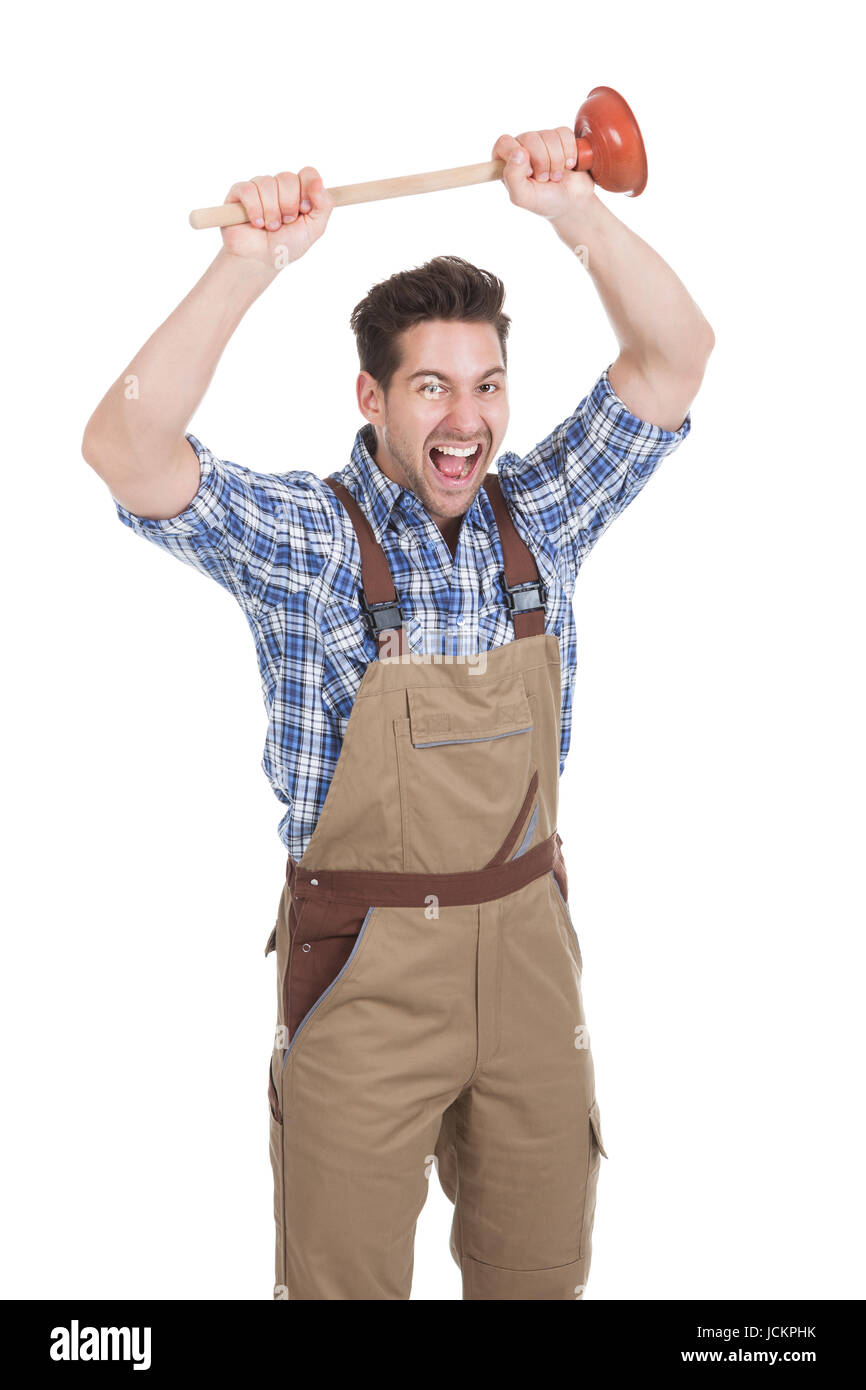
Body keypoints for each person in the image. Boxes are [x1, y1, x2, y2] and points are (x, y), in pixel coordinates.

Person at [82, 127, 714, 1301]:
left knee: (538, 1278)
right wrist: (250, 261)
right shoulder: (313, 543)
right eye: (430, 386)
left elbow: (675, 357)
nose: (464, 420)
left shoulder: (543, 515)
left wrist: (573, 211)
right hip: (364, 974)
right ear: (370, 395)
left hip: (529, 956)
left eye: (485, 386)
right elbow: (125, 448)